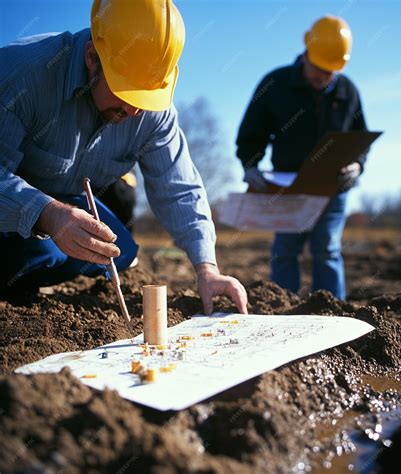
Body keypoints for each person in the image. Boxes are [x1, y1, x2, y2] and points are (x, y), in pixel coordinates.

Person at [0, 0, 247, 315]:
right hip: (12, 199)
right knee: (45, 252)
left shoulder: (152, 112)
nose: (135, 110)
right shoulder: (21, 75)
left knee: (120, 252)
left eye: (146, 95)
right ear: (92, 57)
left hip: (65, 194)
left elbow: (178, 187)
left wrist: (206, 268)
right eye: (126, 91)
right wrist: (47, 214)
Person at [236, 15, 369, 300]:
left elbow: (361, 138)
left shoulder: (348, 91)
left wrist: (358, 164)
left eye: (330, 72)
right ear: (306, 53)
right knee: (285, 250)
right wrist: (250, 166)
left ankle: (333, 313)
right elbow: (251, 133)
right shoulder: (275, 84)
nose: (323, 76)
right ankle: (284, 308)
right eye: (319, 68)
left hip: (333, 187)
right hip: (289, 186)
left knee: (327, 249)